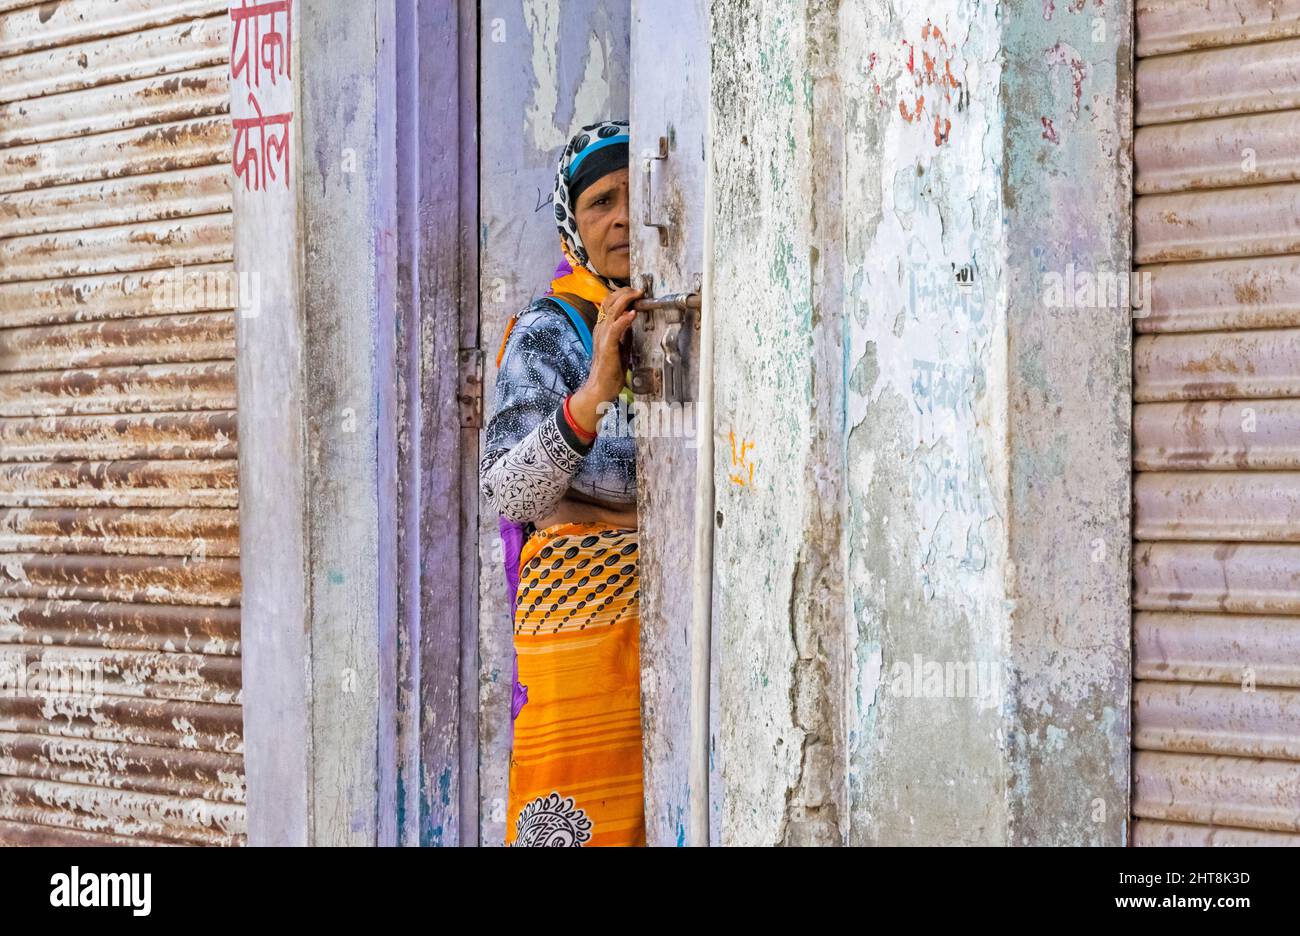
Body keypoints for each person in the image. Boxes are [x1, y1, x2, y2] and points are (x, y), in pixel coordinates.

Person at [480, 119, 646, 847]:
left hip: (652, 650)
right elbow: (511, 492)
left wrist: (586, 494)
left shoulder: (671, 319)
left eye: (635, 196)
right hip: (579, 654)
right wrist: (595, 393)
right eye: (601, 202)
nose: (622, 218)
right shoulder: (552, 331)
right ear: (572, 224)